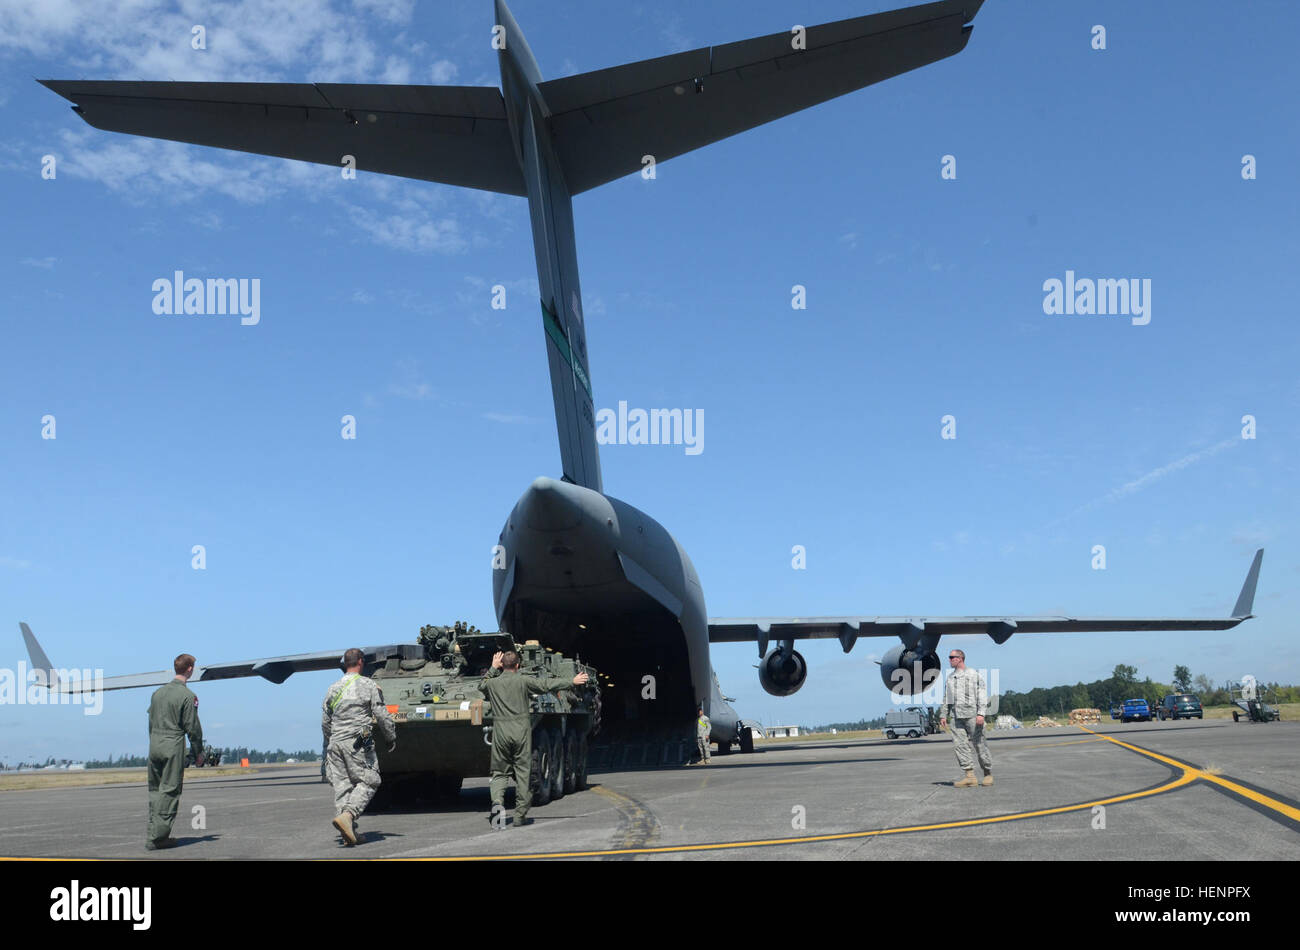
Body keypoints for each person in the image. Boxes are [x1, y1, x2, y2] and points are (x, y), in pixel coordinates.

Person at [480, 649, 589, 828]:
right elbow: (546, 684)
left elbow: (481, 686)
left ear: (502, 665)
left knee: (499, 773)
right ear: (518, 665)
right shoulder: (524, 681)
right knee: (523, 774)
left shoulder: (492, 683)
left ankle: (497, 803)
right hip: (521, 732)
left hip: (500, 733)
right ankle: (519, 815)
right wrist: (572, 681)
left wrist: (492, 668)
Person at [322, 648, 396, 846]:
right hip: (358, 741)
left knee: (342, 786)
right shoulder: (368, 685)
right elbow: (381, 714)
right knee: (370, 780)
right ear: (361, 662)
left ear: (345, 663)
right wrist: (390, 737)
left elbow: (325, 722)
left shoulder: (332, 688)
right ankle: (349, 815)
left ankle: (349, 833)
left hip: (335, 743)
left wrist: (330, 742)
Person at [146, 653, 204, 850]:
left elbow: (151, 721)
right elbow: (192, 728)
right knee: (169, 791)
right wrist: (198, 751)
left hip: (155, 744)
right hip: (173, 745)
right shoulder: (187, 696)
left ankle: (153, 833)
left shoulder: (157, 693)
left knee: (155, 791)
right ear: (189, 669)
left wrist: (154, 742)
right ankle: (158, 838)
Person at [939, 648, 992, 787]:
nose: (949, 660)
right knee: (960, 746)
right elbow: (947, 698)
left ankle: (987, 774)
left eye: (952, 657)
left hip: (972, 716)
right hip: (957, 717)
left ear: (960, 658)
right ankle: (970, 776)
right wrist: (943, 714)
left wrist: (981, 713)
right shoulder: (950, 678)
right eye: (949, 657)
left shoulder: (973, 675)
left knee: (980, 745)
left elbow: (982, 695)